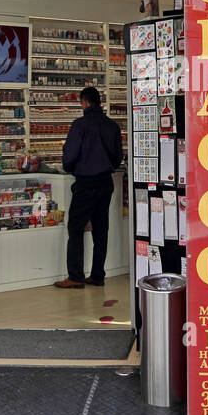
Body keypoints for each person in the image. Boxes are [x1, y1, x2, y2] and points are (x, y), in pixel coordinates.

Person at [55, 86, 123, 289]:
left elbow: (70, 154)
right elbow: (118, 157)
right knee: (101, 230)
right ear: (99, 102)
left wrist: (72, 168)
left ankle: (75, 276)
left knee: (75, 228)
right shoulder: (112, 126)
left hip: (86, 183)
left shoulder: (80, 125)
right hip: (105, 183)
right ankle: (97, 275)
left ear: (84, 103)